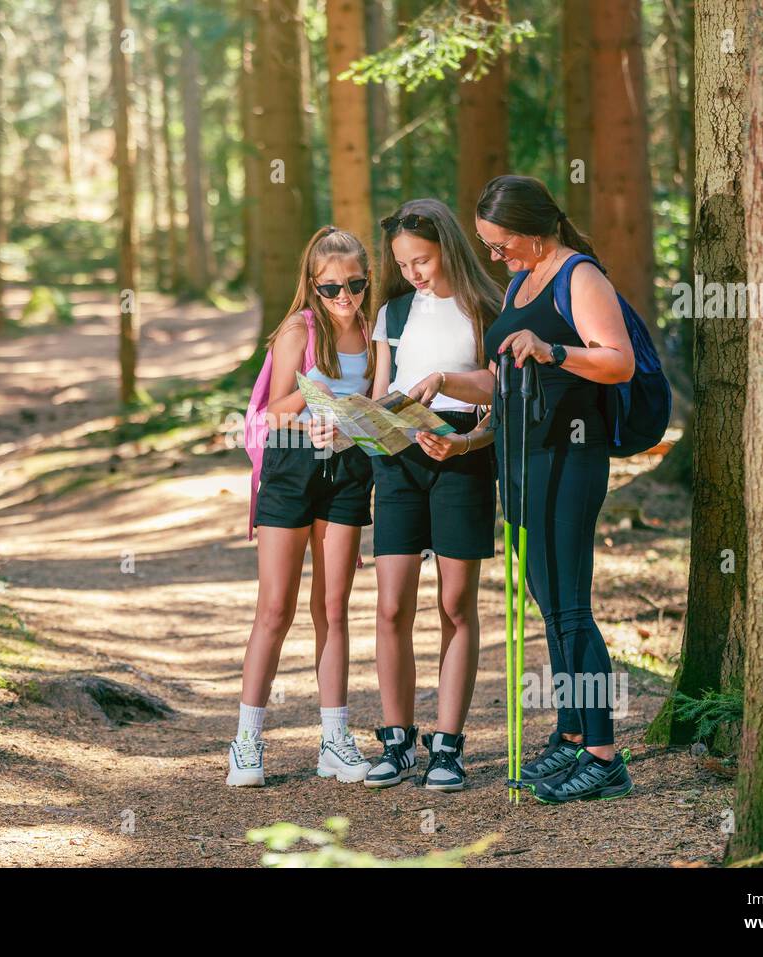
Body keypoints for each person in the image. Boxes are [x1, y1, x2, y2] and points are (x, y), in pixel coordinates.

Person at [413, 174, 636, 802]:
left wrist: (553, 350)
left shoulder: (579, 277)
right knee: (547, 599)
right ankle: (570, 737)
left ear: (536, 231)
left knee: (571, 605)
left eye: (500, 242)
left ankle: (604, 754)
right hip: (521, 460)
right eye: (487, 245)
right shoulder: (519, 282)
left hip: (571, 456)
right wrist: (445, 386)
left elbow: (616, 361)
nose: (493, 255)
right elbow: (498, 383)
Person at [229, 226, 378, 787]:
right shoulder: (300, 328)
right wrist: (318, 403)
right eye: (332, 288)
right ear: (313, 286)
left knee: (333, 608)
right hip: (292, 466)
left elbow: (380, 400)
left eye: (355, 284)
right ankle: (246, 742)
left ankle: (335, 741)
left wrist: (355, 416)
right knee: (275, 609)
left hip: (347, 470)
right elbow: (271, 412)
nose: (345, 297)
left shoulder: (373, 329)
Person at [363, 199, 502, 791]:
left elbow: (501, 395)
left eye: (422, 259)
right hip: (397, 460)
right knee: (392, 604)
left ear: (447, 245)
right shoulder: (393, 312)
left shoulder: (485, 307)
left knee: (454, 605)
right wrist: (358, 420)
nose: (415, 272)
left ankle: (447, 745)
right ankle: (397, 740)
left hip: (461, 457)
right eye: (403, 262)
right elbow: (379, 391)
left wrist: (465, 441)